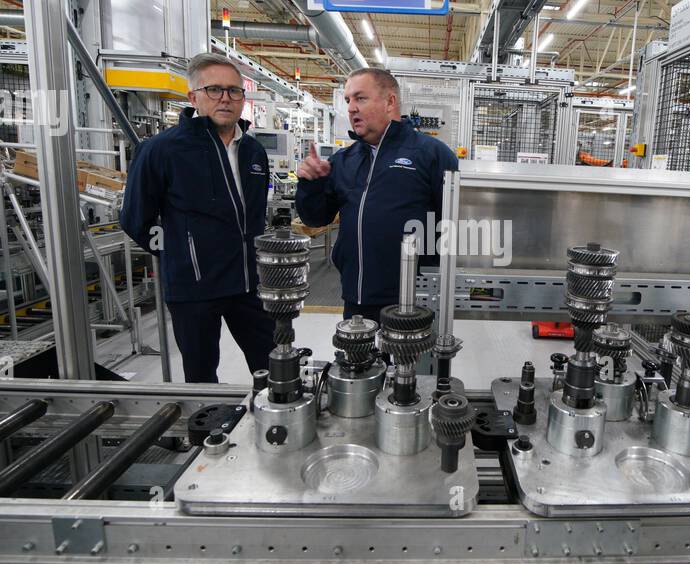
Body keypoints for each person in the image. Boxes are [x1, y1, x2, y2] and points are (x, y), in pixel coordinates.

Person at [121, 52, 275, 382]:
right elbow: (135, 218)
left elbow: (256, 215)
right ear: (194, 97)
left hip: (249, 284)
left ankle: (273, 427)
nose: (225, 98)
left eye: (234, 91)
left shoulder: (253, 151)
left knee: (273, 367)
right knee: (202, 376)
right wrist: (180, 253)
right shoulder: (163, 150)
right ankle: (207, 434)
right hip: (194, 290)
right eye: (214, 90)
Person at [295, 67, 459, 323]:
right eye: (348, 100)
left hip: (413, 299)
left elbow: (453, 226)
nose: (351, 108)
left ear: (390, 101)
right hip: (356, 296)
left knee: (412, 364)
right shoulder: (343, 160)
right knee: (358, 363)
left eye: (360, 98)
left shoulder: (431, 154)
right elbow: (315, 218)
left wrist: (436, 280)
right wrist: (310, 184)